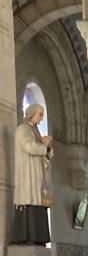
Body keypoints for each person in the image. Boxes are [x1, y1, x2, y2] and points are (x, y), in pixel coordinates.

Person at [10, 103, 53, 245]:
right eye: (40, 114)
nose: (41, 118)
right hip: (27, 174)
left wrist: (48, 146)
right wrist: (44, 145)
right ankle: (26, 237)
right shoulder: (22, 129)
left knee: (38, 202)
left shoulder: (35, 131)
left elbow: (46, 153)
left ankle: (39, 237)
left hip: (37, 175)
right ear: (32, 113)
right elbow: (29, 147)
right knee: (29, 201)